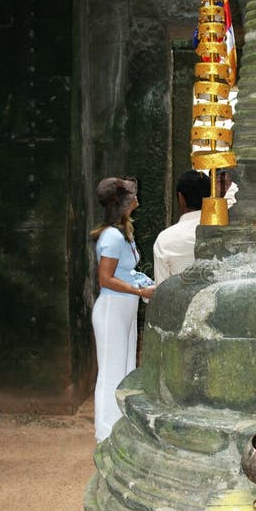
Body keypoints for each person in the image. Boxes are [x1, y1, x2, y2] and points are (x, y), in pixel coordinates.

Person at [91, 177, 155, 442]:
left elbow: (124, 272)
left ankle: (120, 426)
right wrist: (141, 291)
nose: (136, 197)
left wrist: (141, 283)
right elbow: (105, 279)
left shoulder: (121, 233)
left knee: (125, 367)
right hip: (112, 308)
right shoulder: (112, 237)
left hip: (124, 307)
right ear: (123, 202)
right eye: (132, 194)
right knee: (110, 371)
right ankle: (105, 434)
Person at [153, 169, 211, 286]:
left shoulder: (165, 238)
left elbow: (161, 289)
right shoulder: (222, 231)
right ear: (210, 197)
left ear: (180, 198)